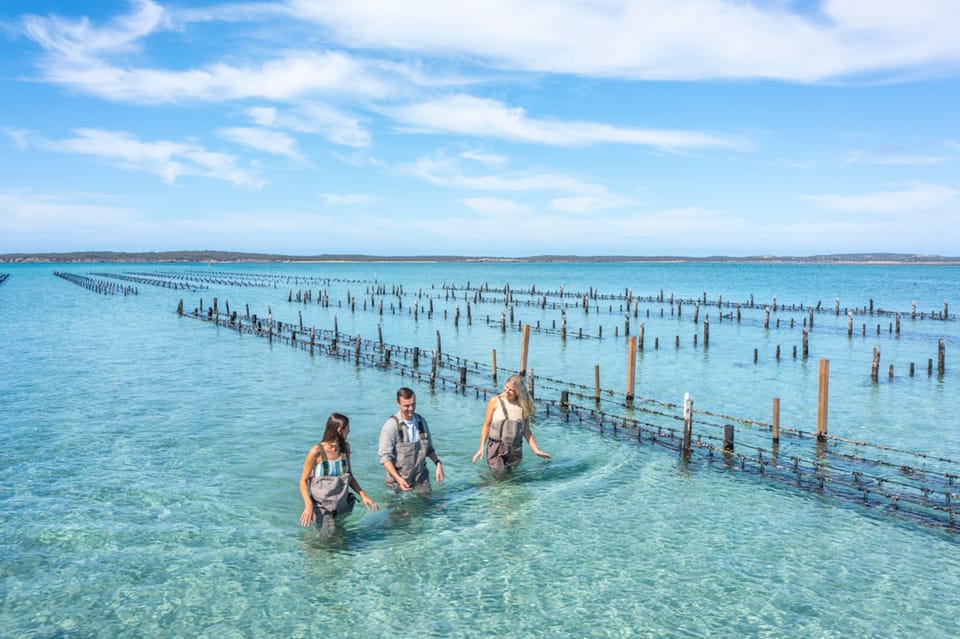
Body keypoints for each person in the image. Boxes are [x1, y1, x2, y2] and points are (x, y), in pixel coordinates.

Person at [299, 413, 378, 527]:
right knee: (327, 537)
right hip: (321, 506)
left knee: (340, 536)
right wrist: (308, 505)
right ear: (339, 430)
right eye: (347, 428)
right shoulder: (316, 452)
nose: (349, 431)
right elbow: (303, 481)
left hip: (342, 503)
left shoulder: (345, 448)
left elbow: (349, 475)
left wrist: (363, 495)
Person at [472, 374, 550, 472]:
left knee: (512, 478)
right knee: (498, 476)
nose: (506, 391)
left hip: (515, 449)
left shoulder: (523, 406)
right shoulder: (495, 401)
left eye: (511, 390)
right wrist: (481, 447)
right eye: (506, 387)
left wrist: (536, 450)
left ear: (518, 392)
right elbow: (486, 425)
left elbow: (526, 431)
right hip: (496, 447)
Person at [378, 387, 444, 493]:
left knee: (429, 507)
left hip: (420, 478)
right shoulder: (391, 426)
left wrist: (438, 463)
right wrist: (399, 479)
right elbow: (385, 458)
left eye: (413, 404)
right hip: (397, 481)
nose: (411, 408)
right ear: (398, 403)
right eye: (406, 406)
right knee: (399, 509)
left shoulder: (421, 422)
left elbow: (429, 449)